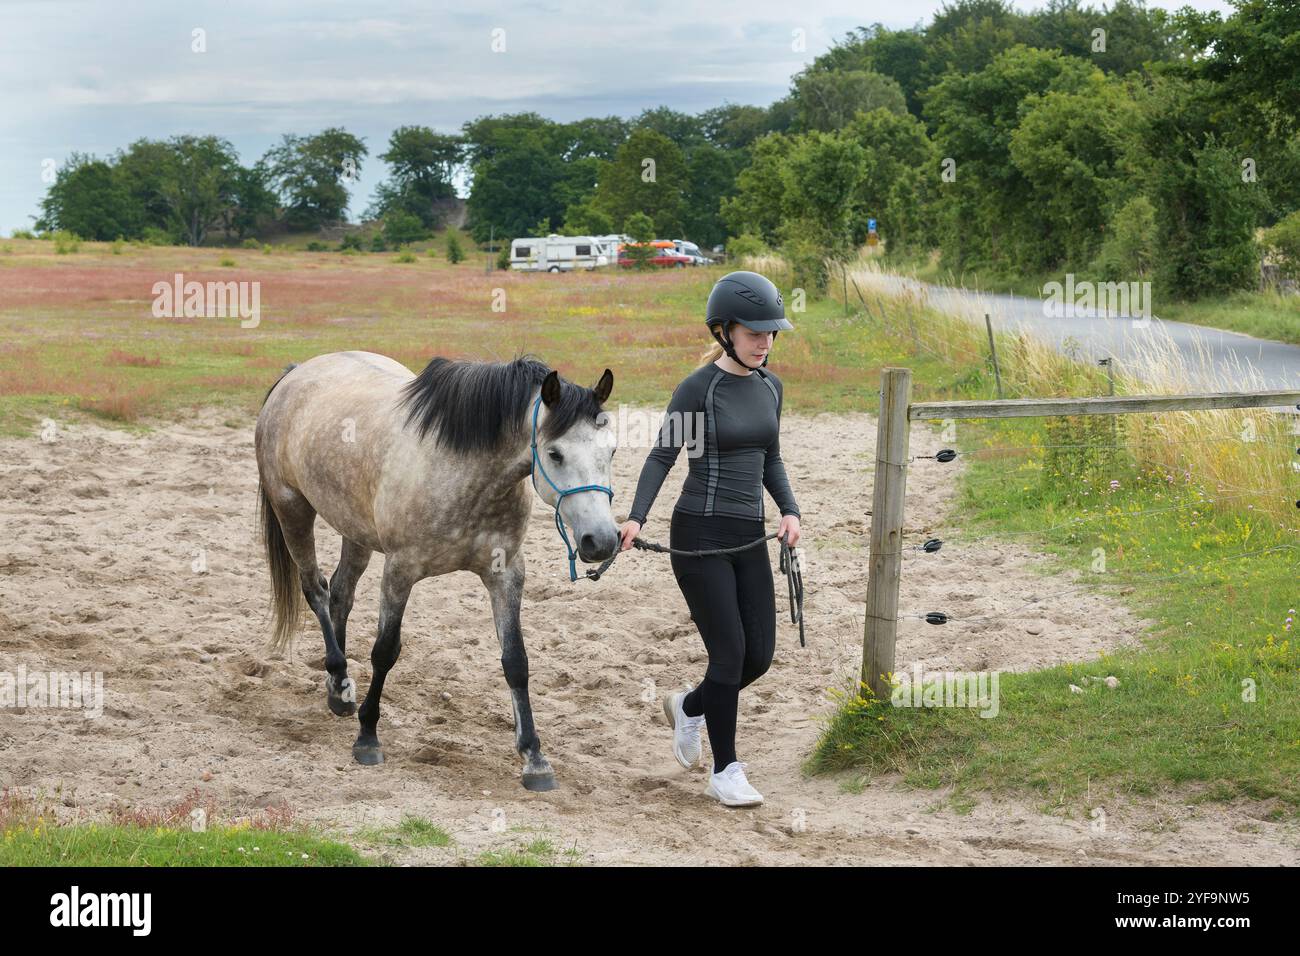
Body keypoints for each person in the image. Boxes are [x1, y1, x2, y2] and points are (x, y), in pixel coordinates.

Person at [620, 270, 801, 808]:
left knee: (758, 657)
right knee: (728, 656)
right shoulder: (699, 388)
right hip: (699, 535)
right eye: (754, 333)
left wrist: (789, 509)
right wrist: (636, 518)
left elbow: (771, 456)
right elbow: (661, 457)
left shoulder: (771, 386)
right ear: (724, 331)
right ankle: (726, 771)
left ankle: (689, 708)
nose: (765, 342)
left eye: (771, 333)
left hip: (749, 536)